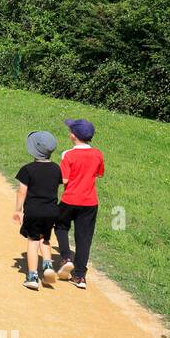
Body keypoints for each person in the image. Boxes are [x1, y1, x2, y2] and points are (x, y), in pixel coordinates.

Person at [55, 118, 103, 290]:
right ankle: (80, 276)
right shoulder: (98, 154)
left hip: (70, 199)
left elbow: (64, 179)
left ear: (73, 136)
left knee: (60, 225)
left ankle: (66, 257)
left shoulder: (67, 155)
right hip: (90, 202)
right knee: (84, 238)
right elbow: (99, 173)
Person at [14, 131, 62, 290]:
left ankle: (33, 276)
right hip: (52, 211)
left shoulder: (27, 170)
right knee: (45, 238)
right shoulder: (56, 169)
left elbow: (22, 191)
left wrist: (18, 210)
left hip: (34, 211)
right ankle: (48, 267)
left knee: (33, 241)